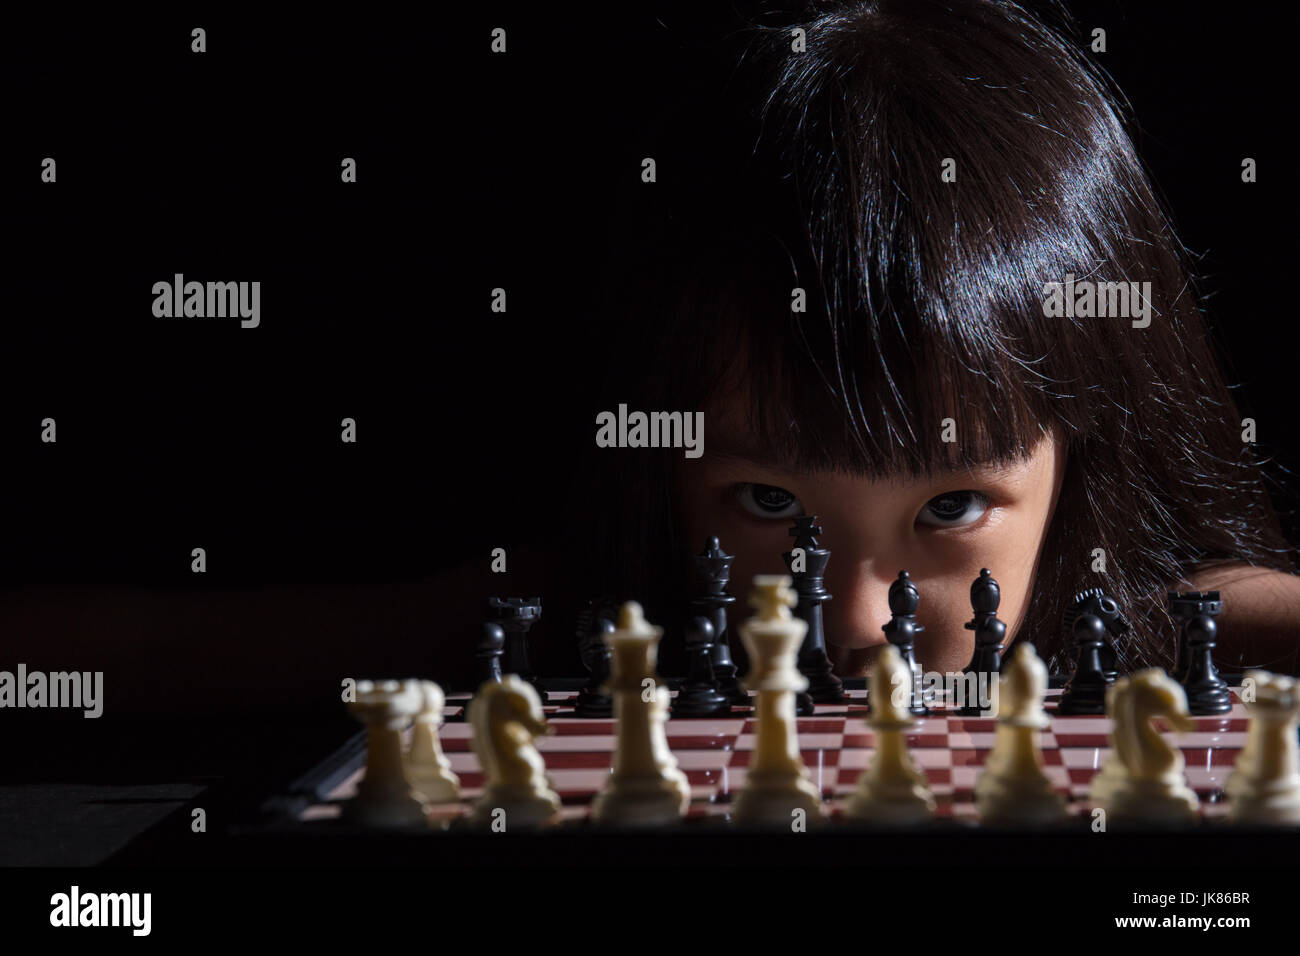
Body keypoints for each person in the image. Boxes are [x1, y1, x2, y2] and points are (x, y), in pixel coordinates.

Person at [561, 0, 1300, 680]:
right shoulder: (583, 610)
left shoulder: (1145, 617)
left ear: (1084, 466)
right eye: (767, 500)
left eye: (951, 508)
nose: (854, 621)